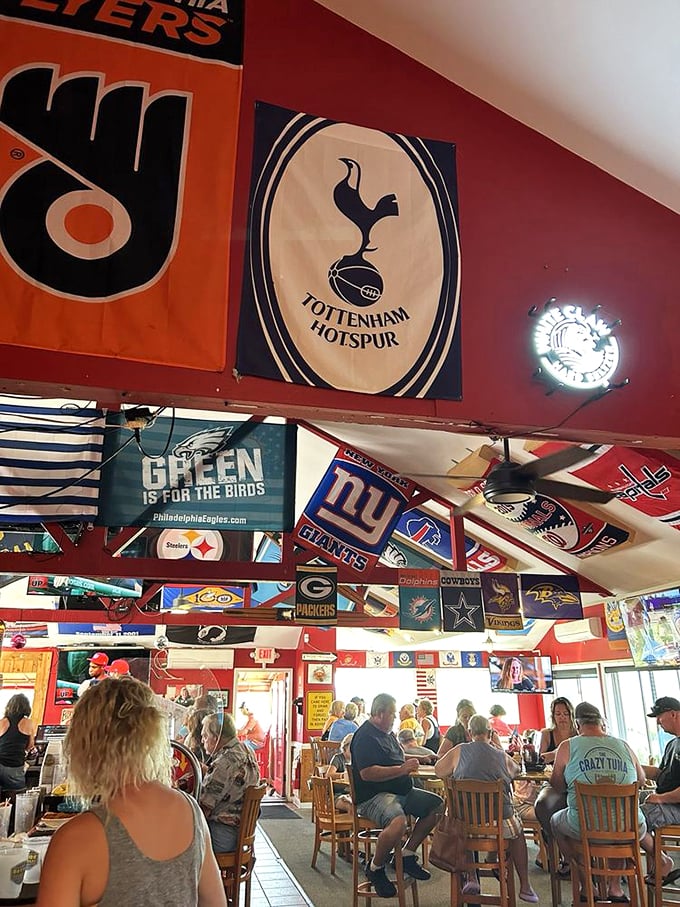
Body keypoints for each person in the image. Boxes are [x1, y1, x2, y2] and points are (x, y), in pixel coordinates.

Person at [36, 677, 226, 907]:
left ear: (85, 744)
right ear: (152, 736)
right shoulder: (191, 811)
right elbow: (216, 903)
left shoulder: (73, 840)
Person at [550, 701, 648, 901]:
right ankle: (615, 887)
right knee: (617, 826)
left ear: (577, 725)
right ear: (602, 723)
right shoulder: (624, 745)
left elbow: (557, 785)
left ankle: (586, 883)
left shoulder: (567, 746)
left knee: (555, 822)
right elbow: (642, 781)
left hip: (586, 828)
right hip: (629, 828)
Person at [436, 713, 539, 902]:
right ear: (490, 733)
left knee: (462, 816)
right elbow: (517, 771)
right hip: (498, 826)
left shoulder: (458, 751)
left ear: (469, 733)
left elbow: (438, 770)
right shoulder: (501, 756)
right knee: (518, 833)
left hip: (464, 827)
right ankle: (525, 884)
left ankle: (472, 875)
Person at [350, 693, 442, 898]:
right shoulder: (365, 736)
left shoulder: (388, 733)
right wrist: (402, 769)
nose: (395, 718)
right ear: (380, 713)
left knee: (436, 806)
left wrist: (422, 757)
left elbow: (398, 756)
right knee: (398, 823)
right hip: (374, 796)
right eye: (392, 713)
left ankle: (407, 854)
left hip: (401, 791)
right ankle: (375, 868)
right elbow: (368, 773)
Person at [200, 712, 260, 853]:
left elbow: (204, 808)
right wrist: (209, 771)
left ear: (216, 738)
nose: (203, 740)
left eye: (205, 736)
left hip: (224, 835)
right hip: (242, 831)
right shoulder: (246, 750)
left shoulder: (224, 762)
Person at [638, 696, 680, 883]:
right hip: (667, 799)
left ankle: (663, 860)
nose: (657, 722)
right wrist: (633, 765)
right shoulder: (672, 744)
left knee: (628, 818)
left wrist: (661, 798)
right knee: (624, 804)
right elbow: (661, 774)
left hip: (676, 806)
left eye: (659, 717)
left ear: (673, 714)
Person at [0, 693, 36, 791]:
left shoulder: (2, 721)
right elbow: (30, 746)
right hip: (14, 766)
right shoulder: (28, 722)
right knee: (17, 795)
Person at [538, 697, 577, 764]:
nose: (562, 717)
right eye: (558, 714)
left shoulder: (578, 733)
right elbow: (541, 759)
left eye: (566, 714)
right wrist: (557, 753)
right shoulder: (546, 733)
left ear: (571, 715)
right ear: (553, 716)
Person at [326, 733, 353, 813]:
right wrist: (343, 775)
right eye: (351, 749)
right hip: (336, 795)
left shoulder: (356, 760)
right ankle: (351, 825)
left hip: (351, 794)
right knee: (350, 806)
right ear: (344, 748)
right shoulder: (338, 758)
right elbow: (329, 774)